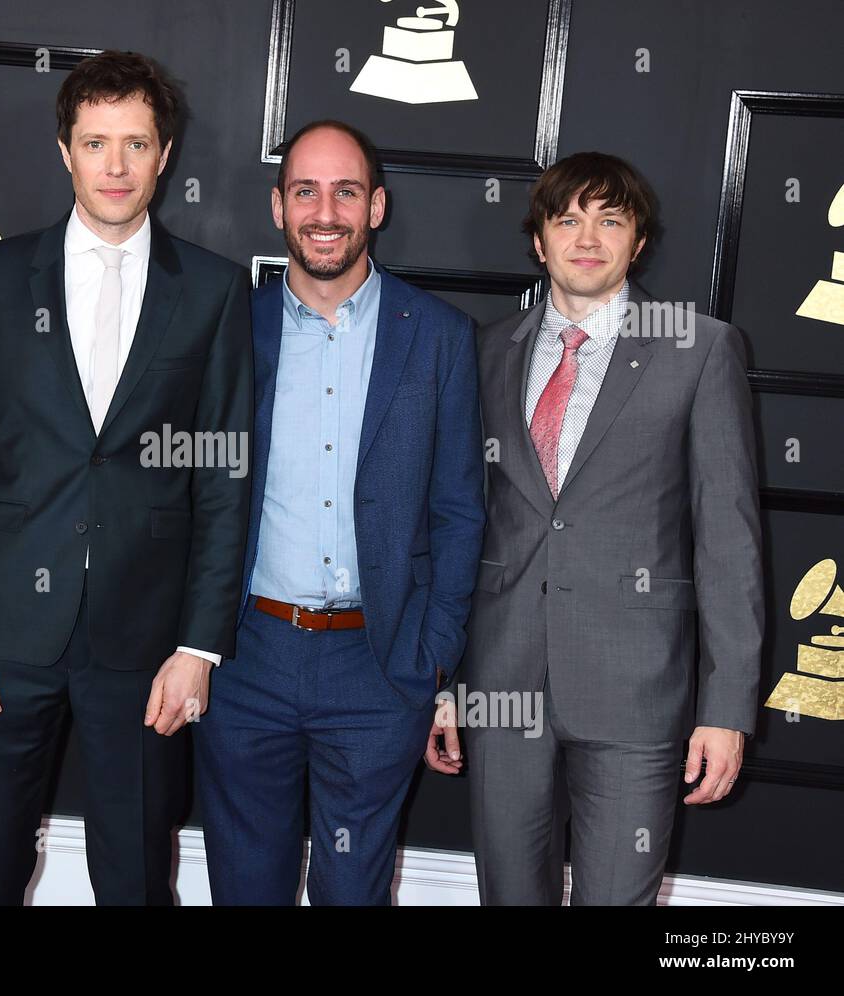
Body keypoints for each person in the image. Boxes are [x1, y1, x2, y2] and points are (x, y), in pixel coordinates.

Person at [0, 50, 253, 905]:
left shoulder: (214, 292)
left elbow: (222, 482)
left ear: (164, 155)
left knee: (137, 879)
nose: (116, 166)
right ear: (65, 150)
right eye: (96, 143)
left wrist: (197, 647)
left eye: (135, 144)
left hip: (145, 649)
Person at [431, 151, 763, 905]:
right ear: (539, 241)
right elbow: (459, 524)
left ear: (637, 241)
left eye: (609, 219)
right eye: (567, 219)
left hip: (635, 690)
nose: (588, 237)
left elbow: (730, 541)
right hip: (501, 685)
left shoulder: (699, 349)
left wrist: (726, 710)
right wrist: (446, 683)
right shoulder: (485, 351)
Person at [194, 120, 485, 905]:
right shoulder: (227, 327)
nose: (327, 212)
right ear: (279, 207)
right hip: (245, 658)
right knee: (245, 886)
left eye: (346, 191)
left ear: (377, 206)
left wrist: (431, 658)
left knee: (352, 892)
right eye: (306, 191)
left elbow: (461, 511)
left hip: (378, 666)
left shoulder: (441, 338)